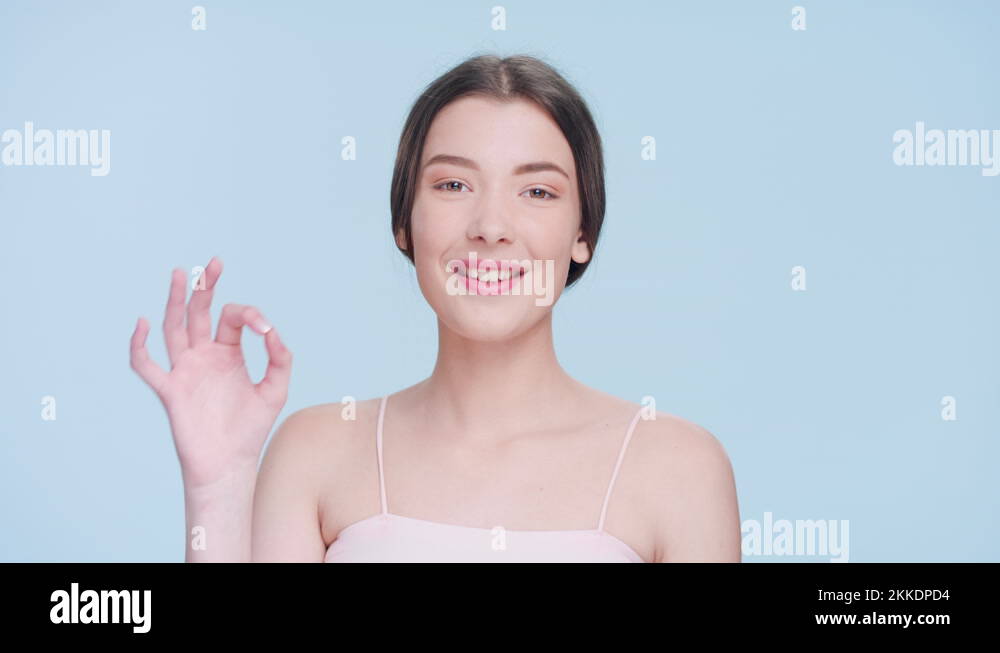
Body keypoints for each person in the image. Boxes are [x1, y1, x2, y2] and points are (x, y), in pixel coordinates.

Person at [129, 54, 741, 563]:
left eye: (537, 191)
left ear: (583, 232)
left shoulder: (678, 467)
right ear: (404, 222)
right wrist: (222, 481)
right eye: (453, 185)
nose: (492, 226)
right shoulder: (316, 452)